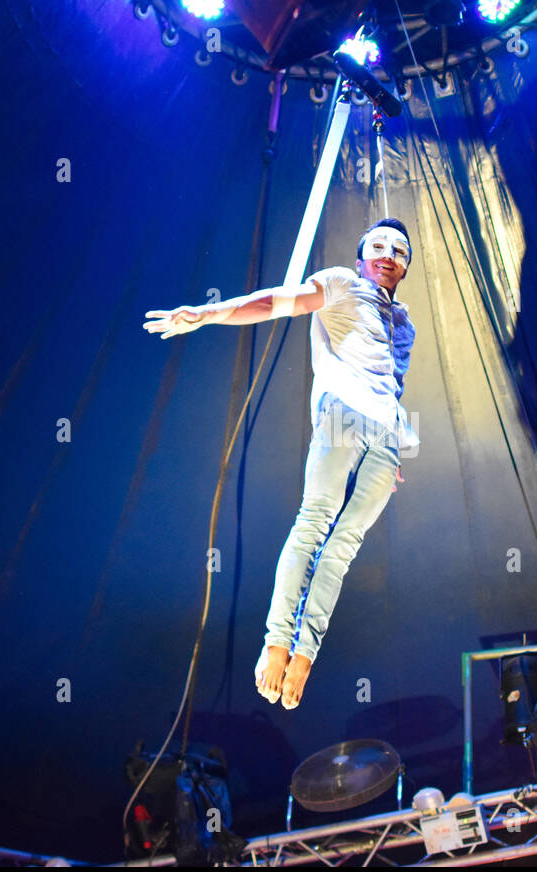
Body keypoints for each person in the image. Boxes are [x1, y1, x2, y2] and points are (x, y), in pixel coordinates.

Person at [144, 219, 420, 710]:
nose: (387, 254)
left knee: (344, 547)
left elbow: (393, 383)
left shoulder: (405, 324)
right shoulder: (342, 284)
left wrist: (399, 442)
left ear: (403, 267)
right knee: (314, 525)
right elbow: (276, 302)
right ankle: (276, 643)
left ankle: (305, 655)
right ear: (361, 258)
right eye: (377, 246)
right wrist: (207, 314)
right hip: (342, 415)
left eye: (398, 250)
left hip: (386, 438)